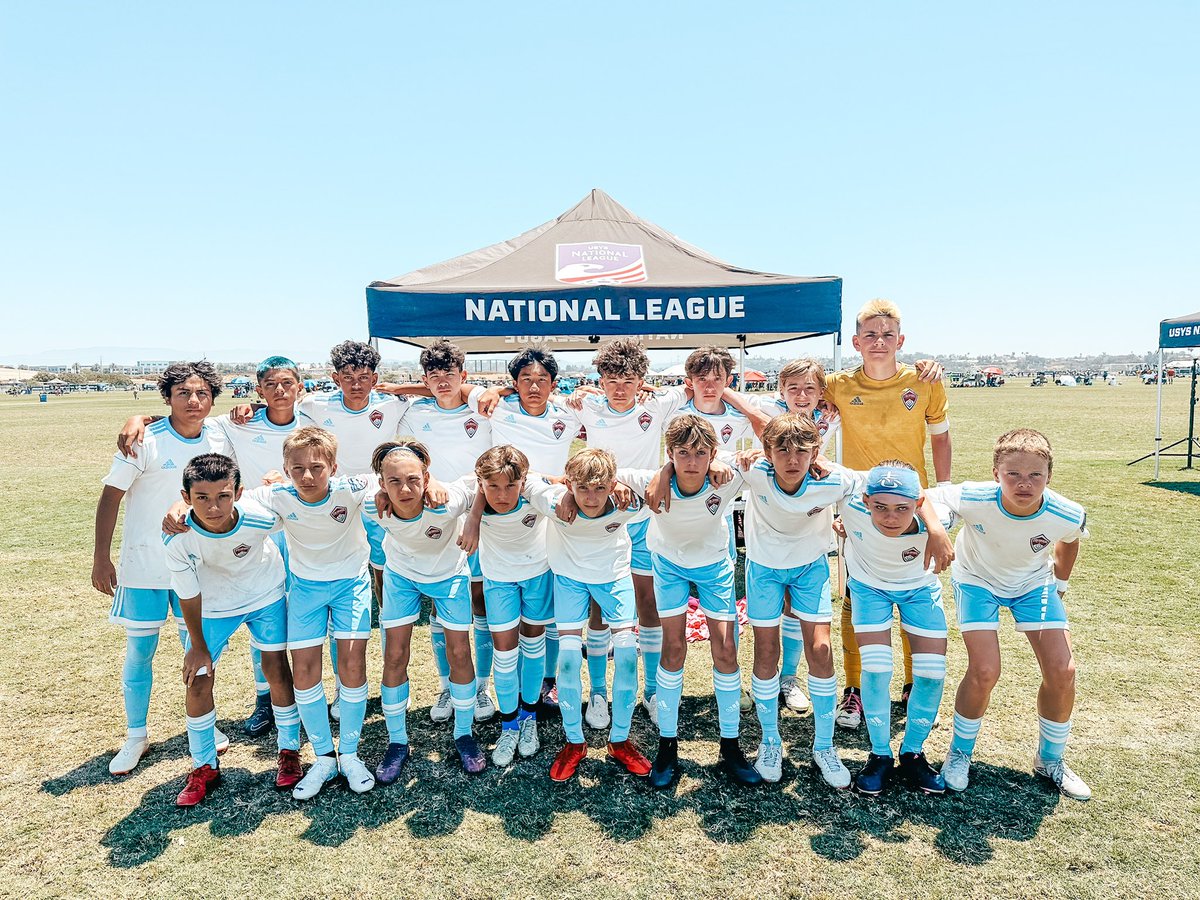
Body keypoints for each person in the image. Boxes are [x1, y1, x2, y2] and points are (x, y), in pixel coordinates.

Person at [117, 355, 305, 737]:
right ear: (258, 389)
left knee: (269, 625)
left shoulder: (314, 412)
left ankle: (277, 703)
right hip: (200, 540)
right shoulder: (230, 424)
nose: (280, 391)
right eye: (270, 385)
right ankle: (258, 705)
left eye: (202, 393)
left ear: (301, 388)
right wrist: (138, 418)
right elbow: (181, 416)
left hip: (268, 526)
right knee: (164, 648)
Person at [926, 429, 1091, 800]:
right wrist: (937, 529)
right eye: (1013, 474)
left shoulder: (1066, 511)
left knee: (1063, 671)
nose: (1024, 483)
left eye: (1035, 475)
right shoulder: (974, 495)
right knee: (985, 670)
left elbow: (1069, 540)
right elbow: (924, 498)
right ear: (995, 472)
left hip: (1033, 585)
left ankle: (1050, 760)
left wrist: (1059, 585)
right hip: (977, 582)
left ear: (1049, 476)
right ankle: (959, 754)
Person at [92, 361, 231, 776]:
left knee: (198, 649)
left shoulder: (220, 434)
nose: (194, 401)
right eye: (184, 393)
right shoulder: (144, 439)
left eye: (202, 393)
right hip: (144, 567)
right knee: (140, 652)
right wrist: (101, 557)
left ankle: (204, 726)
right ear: (167, 397)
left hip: (194, 565)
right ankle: (136, 735)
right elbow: (110, 497)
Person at [821, 299, 952, 730]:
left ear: (902, 340)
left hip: (913, 504)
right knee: (855, 596)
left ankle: (914, 685)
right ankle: (855, 690)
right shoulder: (837, 385)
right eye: (870, 335)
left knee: (914, 593)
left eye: (887, 334)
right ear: (856, 342)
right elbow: (794, 397)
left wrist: (942, 492)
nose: (879, 342)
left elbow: (940, 438)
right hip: (859, 506)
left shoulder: (925, 382)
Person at [617, 415, 759, 789]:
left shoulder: (726, 477)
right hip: (669, 566)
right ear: (670, 454)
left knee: (726, 648)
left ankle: (730, 746)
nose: (692, 461)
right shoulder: (651, 479)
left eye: (700, 453)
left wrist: (723, 460)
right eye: (682, 454)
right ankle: (668, 746)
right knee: (673, 647)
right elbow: (604, 468)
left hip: (714, 566)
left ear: (712, 454)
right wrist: (662, 472)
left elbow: (768, 454)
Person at [564, 337, 689, 727]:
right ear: (599, 379)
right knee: (600, 608)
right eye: (612, 379)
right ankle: (598, 692)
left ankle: (651, 690)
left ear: (641, 381)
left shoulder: (658, 404)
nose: (620, 388)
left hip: (644, 521)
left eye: (629, 380)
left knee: (647, 603)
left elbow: (702, 386)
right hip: (602, 520)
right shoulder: (586, 403)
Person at [164, 454, 301, 805]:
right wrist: (197, 645)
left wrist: (276, 482)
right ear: (186, 497)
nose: (213, 507)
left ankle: (289, 751)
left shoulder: (260, 515)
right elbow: (188, 593)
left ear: (238, 492)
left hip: (265, 593)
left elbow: (293, 500)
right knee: (199, 679)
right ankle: (203, 766)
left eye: (223, 496)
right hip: (213, 606)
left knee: (276, 668)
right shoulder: (178, 538)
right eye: (202, 498)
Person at [378, 340, 496, 726]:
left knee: (476, 607)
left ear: (464, 376)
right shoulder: (414, 415)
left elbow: (489, 470)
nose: (442, 382)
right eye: (434, 376)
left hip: (479, 518)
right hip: (435, 522)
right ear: (425, 380)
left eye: (450, 374)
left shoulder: (485, 410)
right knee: (441, 614)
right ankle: (449, 685)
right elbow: (401, 460)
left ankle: (481, 686)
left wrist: (476, 515)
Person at [523, 449, 652, 782]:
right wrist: (562, 490)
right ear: (570, 484)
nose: (590, 498)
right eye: (582, 489)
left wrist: (623, 482)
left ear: (611, 485)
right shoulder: (555, 501)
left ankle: (620, 740)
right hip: (569, 579)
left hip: (614, 577)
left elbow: (662, 479)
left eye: (599, 488)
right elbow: (525, 477)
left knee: (625, 655)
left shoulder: (628, 503)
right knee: (567, 658)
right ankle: (574, 742)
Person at [297, 341, 411, 721]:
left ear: (375, 378)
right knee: (340, 596)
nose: (356, 385)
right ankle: (342, 689)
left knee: (384, 602)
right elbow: (270, 408)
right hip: (337, 511)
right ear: (335, 378)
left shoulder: (393, 404)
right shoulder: (315, 406)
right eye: (348, 377)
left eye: (364, 377)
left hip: (381, 507)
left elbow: (445, 388)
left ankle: (391, 679)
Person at [366, 439, 485, 776]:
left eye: (414, 479)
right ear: (381, 483)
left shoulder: (446, 499)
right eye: (394, 481)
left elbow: (480, 482)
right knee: (394, 654)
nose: (405, 489)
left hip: (448, 576)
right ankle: (397, 741)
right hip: (403, 576)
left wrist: (473, 519)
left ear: (426, 476)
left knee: (459, 652)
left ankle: (464, 734)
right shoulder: (372, 503)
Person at [841, 462, 952, 796]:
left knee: (932, 674)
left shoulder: (943, 517)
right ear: (865, 501)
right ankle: (879, 754)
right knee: (875, 671)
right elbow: (809, 466)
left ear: (918, 504)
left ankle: (913, 752)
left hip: (919, 590)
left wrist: (935, 527)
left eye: (902, 508)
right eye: (880, 508)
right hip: (869, 588)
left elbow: (991, 496)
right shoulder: (850, 505)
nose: (890, 517)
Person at [474, 445, 552, 766]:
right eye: (492, 486)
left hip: (537, 575)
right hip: (499, 580)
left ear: (523, 481)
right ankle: (508, 726)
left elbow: (560, 489)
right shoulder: (473, 492)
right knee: (505, 655)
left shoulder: (535, 489)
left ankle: (529, 718)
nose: (502, 494)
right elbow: (450, 493)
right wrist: (472, 517)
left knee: (533, 647)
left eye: (510, 486)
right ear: (481, 484)